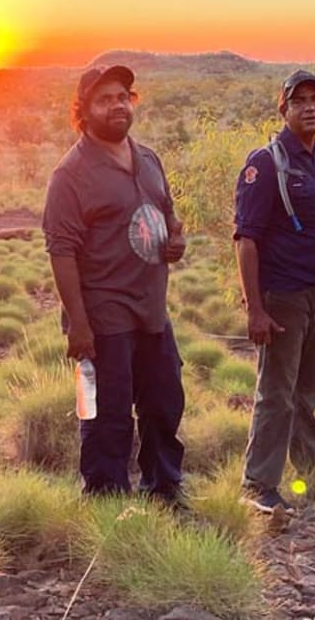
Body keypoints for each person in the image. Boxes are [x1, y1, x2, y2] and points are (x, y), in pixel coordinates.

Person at [43, 64, 188, 504]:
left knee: (164, 402)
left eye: (123, 96)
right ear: (83, 111)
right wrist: (79, 326)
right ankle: (105, 498)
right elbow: (61, 251)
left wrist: (175, 238)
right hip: (102, 316)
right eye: (104, 99)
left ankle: (164, 488)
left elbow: (167, 213)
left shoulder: (148, 159)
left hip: (151, 309)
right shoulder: (70, 175)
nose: (117, 105)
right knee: (105, 413)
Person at [233, 70, 315, 514]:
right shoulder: (266, 163)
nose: (311, 107)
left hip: (314, 296)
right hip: (279, 296)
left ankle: (314, 473)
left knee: (308, 390)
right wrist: (255, 309)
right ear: (283, 108)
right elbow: (246, 239)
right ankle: (258, 484)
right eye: (300, 101)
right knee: (276, 392)